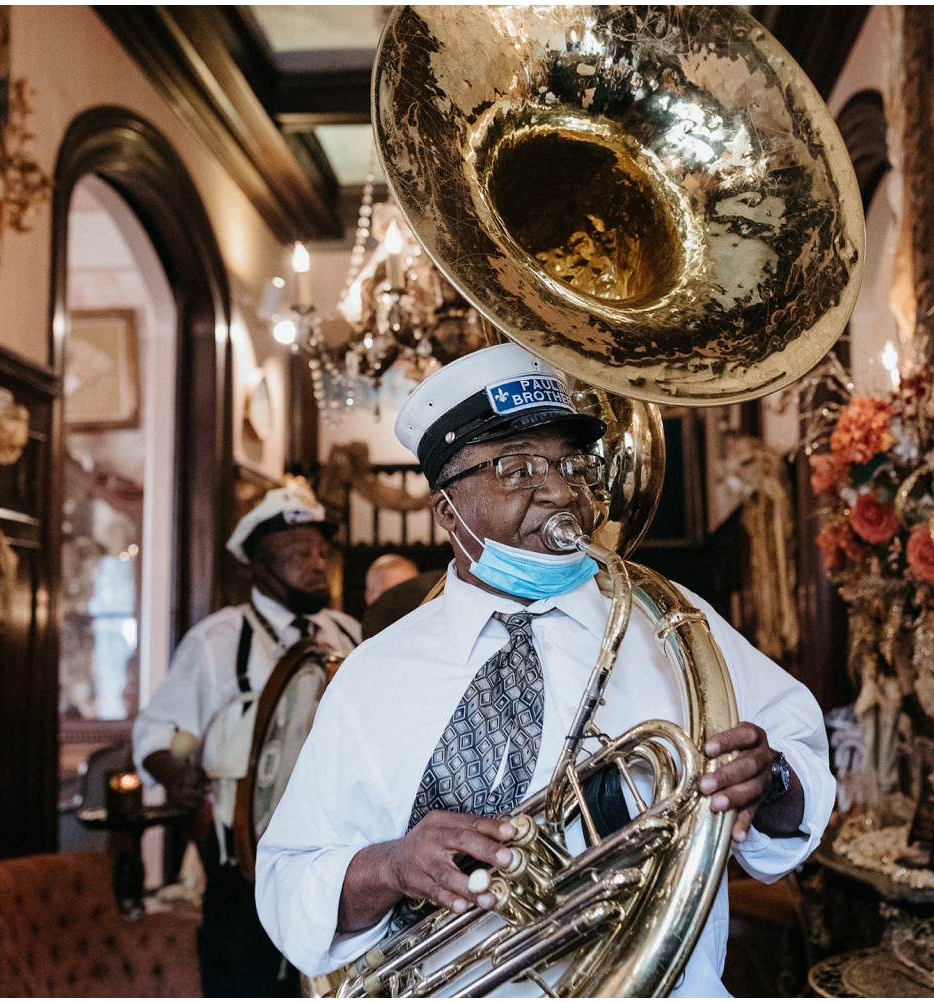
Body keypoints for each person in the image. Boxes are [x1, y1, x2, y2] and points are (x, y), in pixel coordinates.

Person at [256, 344, 836, 996]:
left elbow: (804, 772)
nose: (561, 491)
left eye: (571, 463)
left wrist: (775, 777)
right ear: (448, 510)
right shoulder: (372, 676)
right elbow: (285, 884)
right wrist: (389, 865)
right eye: (516, 466)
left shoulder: (674, 622)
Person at [133, 481, 361, 997]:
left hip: (336, 846)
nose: (317, 561)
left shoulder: (345, 632)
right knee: (247, 978)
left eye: (321, 551)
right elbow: (156, 729)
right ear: (260, 564)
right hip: (245, 857)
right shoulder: (218, 640)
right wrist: (176, 774)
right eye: (299, 552)